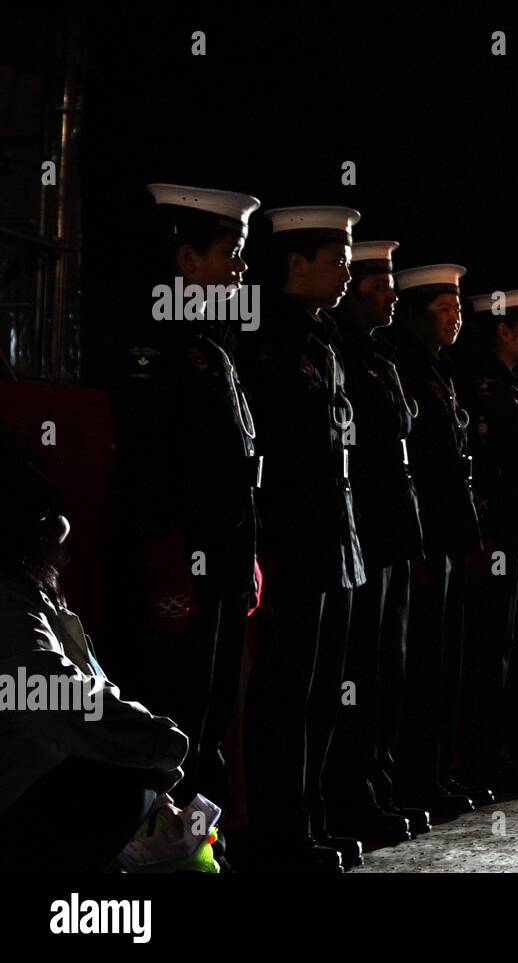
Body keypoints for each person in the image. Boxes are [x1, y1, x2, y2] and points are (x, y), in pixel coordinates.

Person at [112, 184, 261, 815]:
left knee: (212, 709)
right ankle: (163, 842)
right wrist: (167, 555)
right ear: (187, 260)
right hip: (182, 553)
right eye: (231, 251)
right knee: (175, 706)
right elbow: (149, 463)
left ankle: (204, 840)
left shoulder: (211, 343)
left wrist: (245, 552)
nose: (242, 267)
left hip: (221, 551)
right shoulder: (152, 343)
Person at [238, 205, 366, 872]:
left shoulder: (323, 339)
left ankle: (309, 820)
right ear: (295, 264)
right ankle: (278, 832)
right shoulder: (268, 341)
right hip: (292, 541)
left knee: (322, 692)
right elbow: (277, 456)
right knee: (285, 694)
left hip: (331, 537)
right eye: (336, 260)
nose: (346, 273)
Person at [0, 451, 189, 872]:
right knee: (124, 788)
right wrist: (159, 745)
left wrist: (159, 790)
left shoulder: (30, 596)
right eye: (49, 514)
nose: (64, 525)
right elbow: (50, 697)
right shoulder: (9, 604)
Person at [327, 240, 423, 844]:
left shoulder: (377, 355)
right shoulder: (339, 351)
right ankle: (351, 795)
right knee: (357, 672)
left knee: (389, 665)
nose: (390, 296)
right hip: (361, 530)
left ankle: (379, 786)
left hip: (388, 532)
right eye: (378, 285)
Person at [389, 263, 489, 816]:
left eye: (456, 309)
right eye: (443, 309)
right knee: (420, 664)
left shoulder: (437, 368)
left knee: (445, 660)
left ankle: (435, 773)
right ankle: (413, 779)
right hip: (425, 534)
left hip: (448, 533)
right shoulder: (405, 366)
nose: (455, 318)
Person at [458, 287, 518, 795]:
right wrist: (489, 534)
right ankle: (485, 760)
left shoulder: (513, 387)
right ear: (502, 331)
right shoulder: (482, 389)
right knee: (490, 652)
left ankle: (507, 754)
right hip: (497, 537)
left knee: (511, 648)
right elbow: (486, 471)